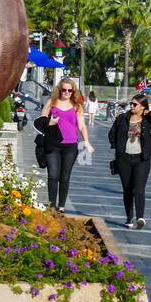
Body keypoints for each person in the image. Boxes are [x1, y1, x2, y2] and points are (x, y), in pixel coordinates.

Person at [107, 94, 151, 228]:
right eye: (131, 104)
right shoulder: (122, 118)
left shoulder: (146, 120)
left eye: (135, 104)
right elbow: (111, 133)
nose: (131, 106)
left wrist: (150, 114)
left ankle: (140, 217)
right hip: (124, 158)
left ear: (143, 106)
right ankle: (129, 217)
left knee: (139, 188)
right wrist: (118, 147)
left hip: (141, 158)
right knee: (127, 189)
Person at [40, 77, 94, 214]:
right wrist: (50, 123)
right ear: (59, 89)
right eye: (64, 90)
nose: (66, 93)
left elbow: (81, 125)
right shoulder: (51, 102)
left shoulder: (77, 105)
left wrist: (86, 142)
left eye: (70, 90)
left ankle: (62, 205)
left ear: (73, 91)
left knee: (64, 176)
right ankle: (51, 205)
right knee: (53, 175)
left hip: (70, 145)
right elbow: (40, 123)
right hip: (52, 143)